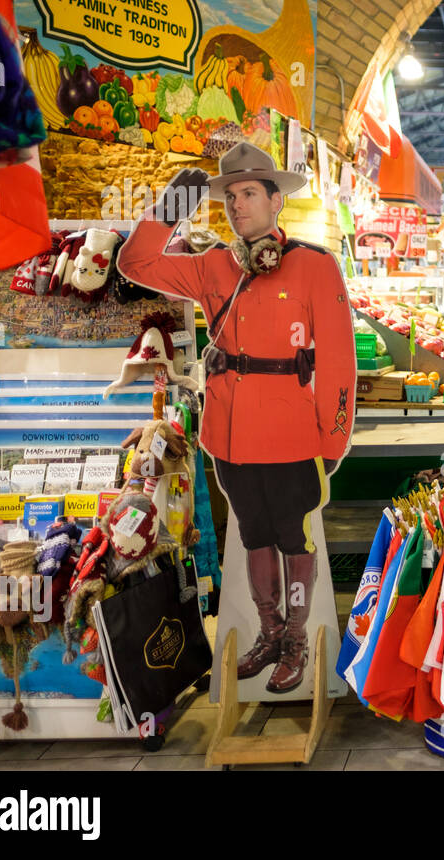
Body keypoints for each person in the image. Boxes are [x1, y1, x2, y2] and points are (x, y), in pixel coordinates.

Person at [117, 144, 356, 694]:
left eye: (250, 193)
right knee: (252, 536)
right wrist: (176, 200)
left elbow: (339, 362)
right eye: (229, 196)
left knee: (294, 539)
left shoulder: (316, 265)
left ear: (277, 202)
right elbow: (136, 264)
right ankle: (268, 632)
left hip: (296, 437)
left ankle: (296, 639)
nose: (237, 205)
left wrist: (332, 439)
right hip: (231, 437)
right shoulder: (214, 266)